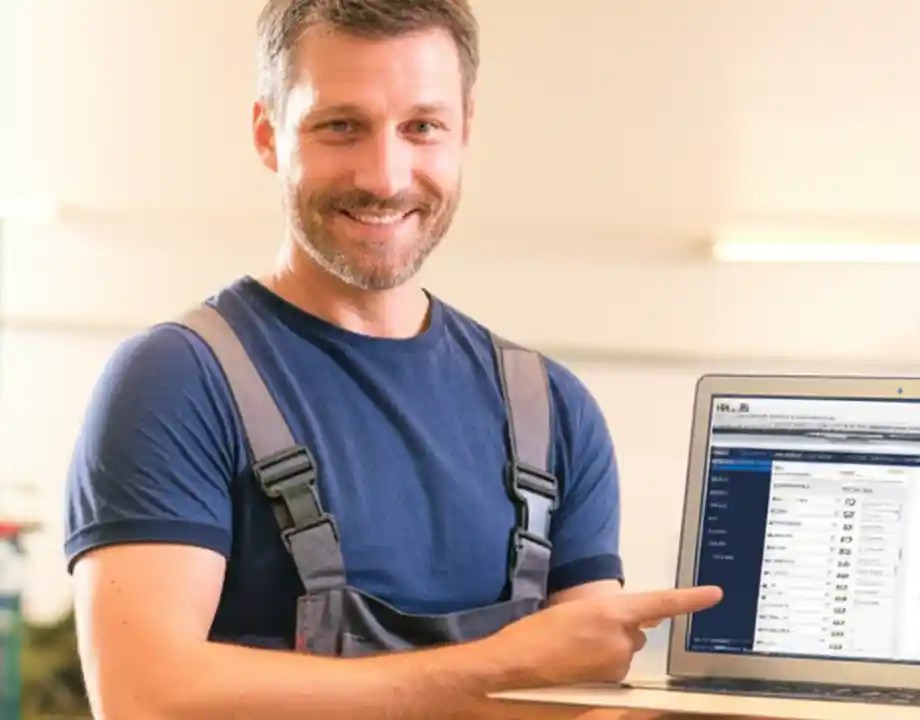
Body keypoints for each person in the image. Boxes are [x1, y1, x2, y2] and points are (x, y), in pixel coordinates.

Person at [63, 1, 722, 717]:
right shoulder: (178, 381)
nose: (384, 176)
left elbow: (582, 686)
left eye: (422, 127)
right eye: (341, 126)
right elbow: (145, 698)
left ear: (465, 130)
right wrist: (504, 668)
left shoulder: (551, 408)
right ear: (268, 135)